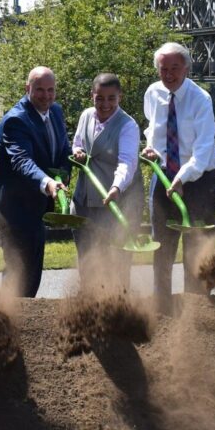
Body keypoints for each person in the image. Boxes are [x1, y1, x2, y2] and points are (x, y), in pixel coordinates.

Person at [142, 42, 215, 312]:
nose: (169, 74)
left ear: (186, 68)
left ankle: (196, 311)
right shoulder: (152, 93)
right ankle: (161, 308)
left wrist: (183, 177)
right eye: (164, 68)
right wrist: (151, 146)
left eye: (175, 68)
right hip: (163, 176)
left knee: (197, 248)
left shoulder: (200, 99)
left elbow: (204, 148)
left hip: (199, 179)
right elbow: (153, 127)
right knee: (161, 245)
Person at [0, 66, 70, 297]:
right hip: (14, 209)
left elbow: (63, 149)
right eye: (39, 90)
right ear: (28, 89)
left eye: (50, 90)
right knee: (17, 272)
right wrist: (48, 183)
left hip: (37, 205)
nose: (46, 96)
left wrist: (63, 175)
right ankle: (5, 321)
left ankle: (22, 321)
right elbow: (22, 161)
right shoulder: (16, 120)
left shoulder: (55, 111)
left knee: (32, 271)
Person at [71, 73, 143, 292]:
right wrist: (78, 151)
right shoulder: (86, 116)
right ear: (92, 96)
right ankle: (88, 306)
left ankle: (119, 309)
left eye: (111, 98)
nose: (105, 104)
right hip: (84, 200)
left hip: (116, 202)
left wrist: (116, 187)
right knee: (87, 256)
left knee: (116, 259)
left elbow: (127, 163)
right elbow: (77, 142)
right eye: (99, 98)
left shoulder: (128, 126)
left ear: (119, 97)